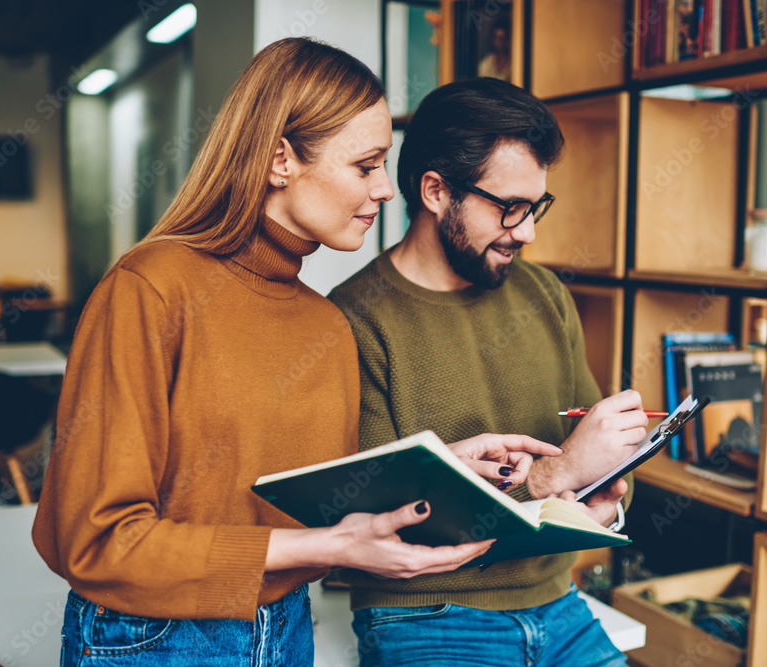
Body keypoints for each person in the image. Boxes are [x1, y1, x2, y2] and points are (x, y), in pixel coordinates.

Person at [32, 38, 560, 666]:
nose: (388, 191)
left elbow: (324, 502)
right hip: (150, 637)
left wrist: (442, 466)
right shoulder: (151, 288)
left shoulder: (325, 323)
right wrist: (328, 548)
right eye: (365, 166)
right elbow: (96, 541)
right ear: (281, 159)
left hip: (285, 631)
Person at [328, 77, 650, 666]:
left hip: (558, 600)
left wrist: (599, 499)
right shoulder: (350, 323)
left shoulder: (545, 293)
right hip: (426, 612)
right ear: (435, 190)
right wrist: (554, 479)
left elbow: (585, 453)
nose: (526, 232)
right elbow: (376, 528)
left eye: (536, 208)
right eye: (509, 208)